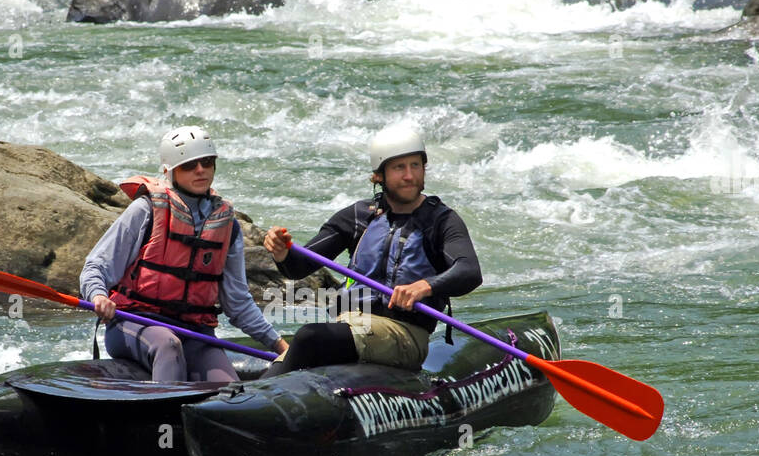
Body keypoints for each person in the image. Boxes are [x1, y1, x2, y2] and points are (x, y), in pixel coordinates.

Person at [260, 123, 481, 377]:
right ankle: (247, 399)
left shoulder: (442, 221)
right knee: (284, 362)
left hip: (405, 334)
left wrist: (425, 286)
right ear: (379, 175)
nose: (409, 175)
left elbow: (469, 271)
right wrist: (281, 253)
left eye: (415, 165)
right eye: (399, 167)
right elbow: (299, 267)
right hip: (350, 325)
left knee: (310, 336)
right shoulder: (359, 217)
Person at [80, 126, 287, 382]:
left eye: (207, 162)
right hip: (133, 322)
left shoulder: (227, 226)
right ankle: (161, 419)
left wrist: (279, 346)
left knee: (229, 388)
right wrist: (98, 296)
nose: (201, 170)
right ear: (171, 171)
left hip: (194, 331)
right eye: (189, 165)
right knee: (167, 345)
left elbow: (238, 303)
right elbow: (96, 267)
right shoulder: (145, 211)